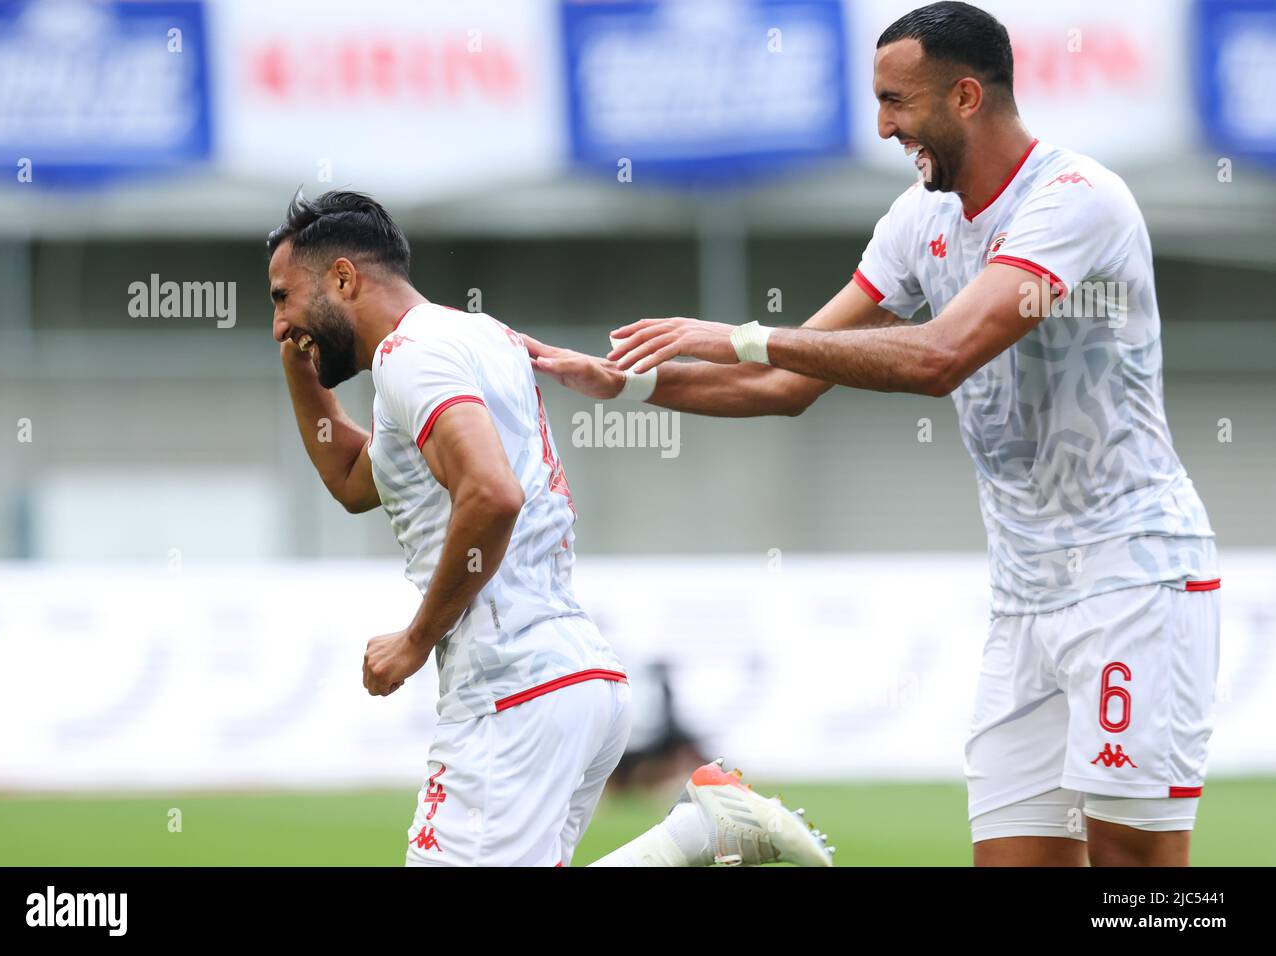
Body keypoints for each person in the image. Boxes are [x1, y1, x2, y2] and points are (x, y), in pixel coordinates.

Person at [526, 1, 1220, 867]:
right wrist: (628, 385)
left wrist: (737, 332)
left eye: (898, 102)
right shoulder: (918, 221)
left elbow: (942, 355)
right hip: (1023, 602)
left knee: (1135, 868)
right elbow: (786, 385)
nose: (885, 125)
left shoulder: (1076, 201)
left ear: (967, 96)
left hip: (1132, 582)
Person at [266, 190, 832, 867]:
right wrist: (301, 370)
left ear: (343, 279)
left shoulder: (408, 357)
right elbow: (357, 478)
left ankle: (700, 837)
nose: (278, 324)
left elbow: (493, 495)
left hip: (512, 687)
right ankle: (698, 836)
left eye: (282, 298)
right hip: (573, 675)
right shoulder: (476, 336)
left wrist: (417, 638)